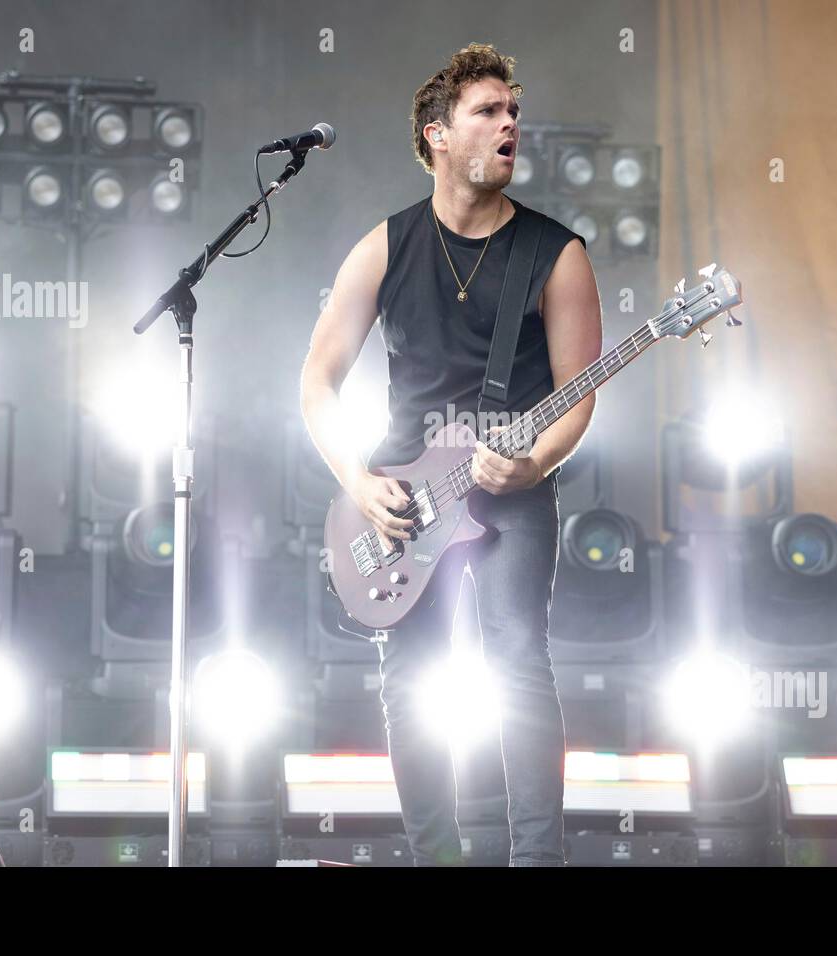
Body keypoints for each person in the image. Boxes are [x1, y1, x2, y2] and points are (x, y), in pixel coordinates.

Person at [300, 42, 602, 865]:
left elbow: (580, 395)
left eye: (514, 113)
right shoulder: (387, 247)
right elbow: (317, 383)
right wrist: (356, 482)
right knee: (410, 681)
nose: (509, 125)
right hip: (402, 496)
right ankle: (435, 856)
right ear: (438, 136)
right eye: (488, 112)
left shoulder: (557, 254)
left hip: (511, 491)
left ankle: (535, 859)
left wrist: (535, 462)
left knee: (515, 661)